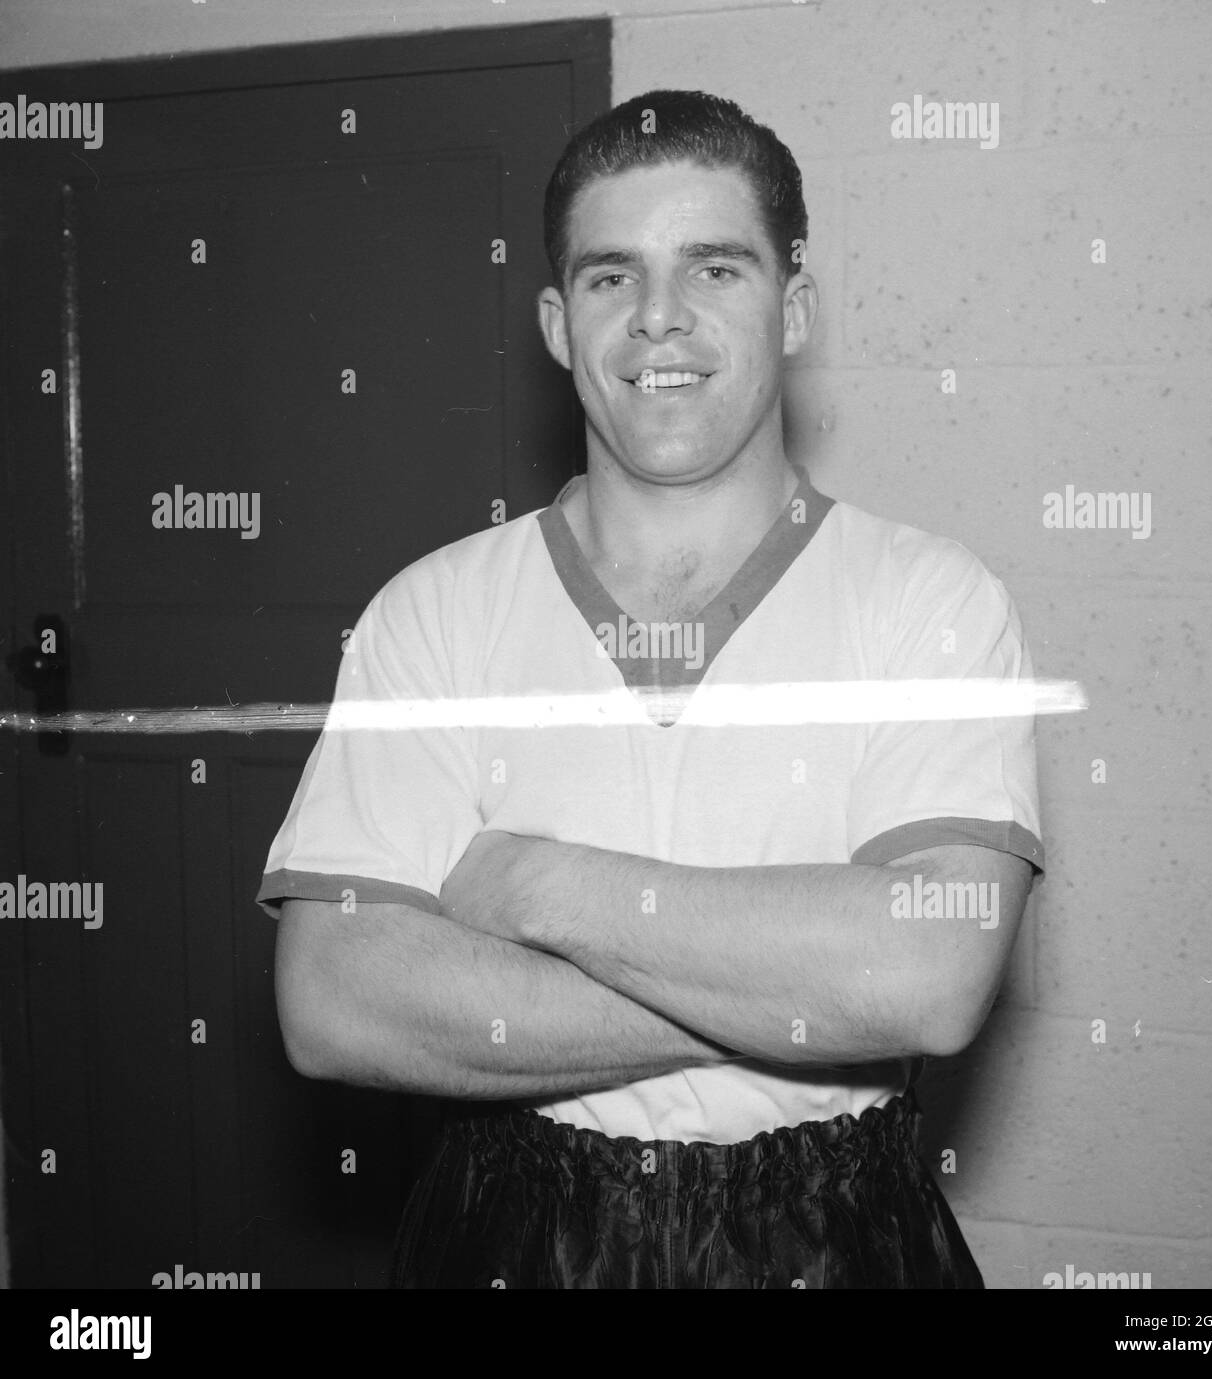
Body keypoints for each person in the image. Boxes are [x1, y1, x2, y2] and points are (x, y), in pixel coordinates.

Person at [257, 89, 1043, 1289]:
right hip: (512, 1228)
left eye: (715, 268)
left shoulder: (930, 599)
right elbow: (333, 999)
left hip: (833, 1236)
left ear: (793, 307)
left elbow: (926, 977)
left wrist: (530, 882)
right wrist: (793, 984)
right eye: (611, 276)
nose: (658, 318)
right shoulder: (435, 610)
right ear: (559, 324)